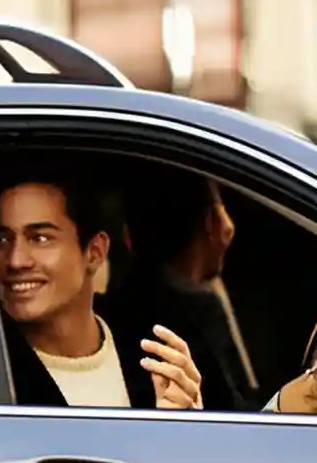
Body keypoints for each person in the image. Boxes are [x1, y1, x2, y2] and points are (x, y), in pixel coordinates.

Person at [0, 164, 204, 410]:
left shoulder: (158, 354)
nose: (16, 260)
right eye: (1, 240)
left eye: (40, 238)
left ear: (95, 252)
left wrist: (182, 428)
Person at [107, 168, 259, 410]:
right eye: (220, 208)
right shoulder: (191, 319)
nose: (230, 228)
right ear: (210, 222)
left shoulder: (119, 312)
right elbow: (234, 414)